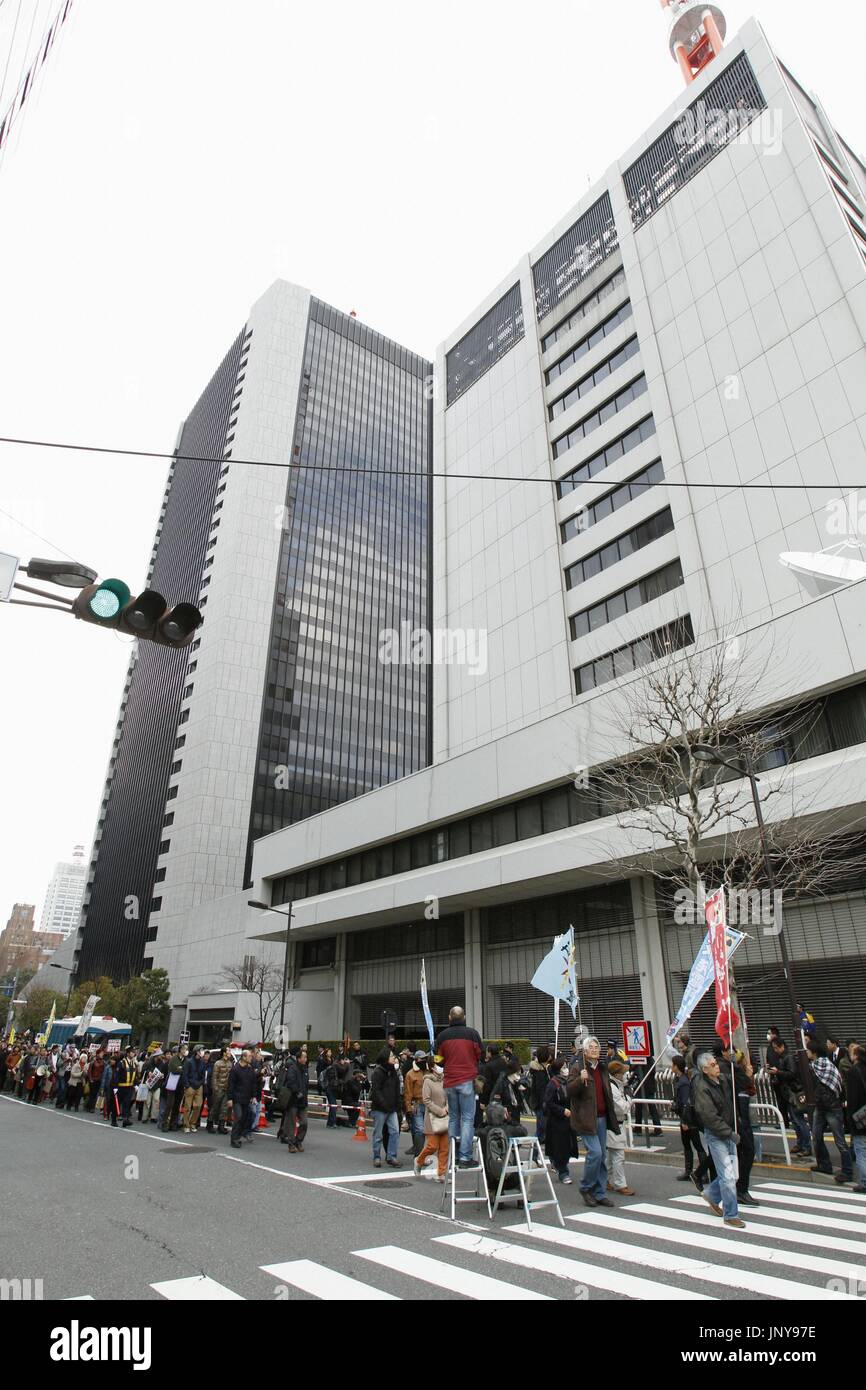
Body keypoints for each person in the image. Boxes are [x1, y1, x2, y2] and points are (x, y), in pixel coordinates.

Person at [691, 1051, 744, 1229]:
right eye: (713, 1064)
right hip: (717, 1134)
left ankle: (712, 1195)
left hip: (728, 1130)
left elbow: (740, 1081)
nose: (717, 1066)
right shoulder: (702, 1088)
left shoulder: (722, 1081)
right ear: (705, 1069)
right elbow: (709, 1116)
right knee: (728, 1176)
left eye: (716, 1063)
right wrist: (729, 1133)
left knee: (732, 1174)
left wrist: (736, 1064)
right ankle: (731, 1214)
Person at [566, 1036, 619, 1208]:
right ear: (585, 1051)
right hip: (586, 1118)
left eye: (597, 1047)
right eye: (592, 1047)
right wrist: (581, 1079)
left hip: (603, 1116)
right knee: (595, 1153)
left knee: (602, 1155)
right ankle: (586, 1187)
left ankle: (599, 1192)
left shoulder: (602, 1068)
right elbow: (569, 1090)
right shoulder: (578, 1067)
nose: (595, 1050)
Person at [434, 1006, 482, 1169]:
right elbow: (478, 1055)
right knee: (468, 1119)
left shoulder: (442, 1036)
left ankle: (453, 1155)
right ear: (464, 1017)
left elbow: (438, 1059)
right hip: (467, 1079)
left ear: (449, 1018)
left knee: (453, 1118)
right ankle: (465, 1157)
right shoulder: (473, 1034)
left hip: (450, 1081)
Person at [806, 1037, 853, 1183]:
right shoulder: (815, 1066)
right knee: (816, 1136)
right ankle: (824, 1164)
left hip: (832, 1107)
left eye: (808, 1050)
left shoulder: (826, 1066)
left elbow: (837, 1084)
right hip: (821, 1107)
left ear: (813, 1052)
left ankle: (847, 1171)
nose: (807, 1053)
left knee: (839, 1141)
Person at [721, 1046, 759, 1207]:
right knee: (745, 1151)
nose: (733, 1054)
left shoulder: (731, 1067)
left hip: (738, 1116)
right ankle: (738, 1190)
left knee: (738, 1154)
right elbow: (738, 1084)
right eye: (730, 1050)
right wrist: (746, 1075)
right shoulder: (725, 1069)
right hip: (734, 1118)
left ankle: (737, 1189)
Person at [766, 1037, 812, 1156]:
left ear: (782, 1046)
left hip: (793, 1093)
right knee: (795, 1121)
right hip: (788, 1093)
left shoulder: (788, 1057)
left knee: (799, 1120)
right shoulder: (782, 1057)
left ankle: (806, 1146)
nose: (775, 1050)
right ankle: (800, 1143)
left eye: (776, 1048)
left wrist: (778, 1072)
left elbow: (792, 1074)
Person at [671, 1055, 712, 1186]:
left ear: (676, 1066)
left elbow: (686, 1103)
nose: (671, 1067)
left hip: (690, 1119)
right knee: (688, 1145)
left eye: (672, 1065)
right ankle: (689, 1171)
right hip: (687, 1118)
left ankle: (703, 1174)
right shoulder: (681, 1079)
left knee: (696, 1145)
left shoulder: (683, 1082)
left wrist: (685, 1121)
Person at [413, 1057, 449, 1181]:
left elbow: (449, 1095)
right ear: (432, 1067)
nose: (441, 1067)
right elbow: (426, 1100)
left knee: (445, 1147)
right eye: (438, 1065)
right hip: (432, 1118)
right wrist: (440, 1111)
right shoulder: (427, 1081)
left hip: (445, 1118)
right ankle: (419, 1160)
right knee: (432, 1146)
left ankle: (441, 1174)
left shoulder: (445, 1080)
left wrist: (447, 1108)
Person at [542, 1056, 574, 1183]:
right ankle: (563, 1172)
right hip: (556, 1120)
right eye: (564, 1067)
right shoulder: (553, 1084)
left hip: (568, 1119)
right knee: (560, 1146)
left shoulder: (567, 1082)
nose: (566, 1070)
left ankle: (559, 1163)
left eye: (567, 1067)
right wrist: (561, 1110)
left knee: (567, 1145)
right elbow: (548, 1102)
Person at [370, 1047, 402, 1168]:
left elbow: (396, 1090)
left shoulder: (393, 1072)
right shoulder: (378, 1072)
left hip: (392, 1108)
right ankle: (376, 1156)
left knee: (395, 1132)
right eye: (392, 1056)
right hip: (380, 1108)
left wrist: (398, 1104)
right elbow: (376, 1091)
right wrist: (384, 1104)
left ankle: (391, 1156)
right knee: (378, 1134)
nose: (394, 1058)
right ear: (385, 1058)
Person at [606, 1060, 635, 1195]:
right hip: (614, 1125)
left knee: (611, 1157)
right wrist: (629, 1098)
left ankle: (604, 1179)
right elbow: (622, 1108)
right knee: (618, 1156)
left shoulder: (617, 1085)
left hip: (614, 1125)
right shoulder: (612, 1088)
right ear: (616, 1074)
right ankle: (620, 1184)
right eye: (623, 1073)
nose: (625, 1075)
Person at [845, 1042, 866, 1193]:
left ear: (856, 1056)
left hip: (861, 1116)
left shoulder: (853, 1072)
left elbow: (852, 1098)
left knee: (861, 1150)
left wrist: (850, 1119)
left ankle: (865, 1182)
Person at [281, 1045, 309, 1154]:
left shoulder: (305, 1070)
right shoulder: (292, 1069)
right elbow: (290, 1082)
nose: (306, 1059)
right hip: (293, 1100)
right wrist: (297, 1092)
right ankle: (291, 1143)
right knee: (291, 1123)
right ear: (299, 1058)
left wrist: (304, 1096)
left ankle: (299, 1140)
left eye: (306, 1057)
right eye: (304, 1057)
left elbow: (306, 1085)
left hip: (303, 1101)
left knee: (304, 1122)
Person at [228, 1049, 258, 1148]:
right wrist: (230, 1098)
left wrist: (254, 1096)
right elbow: (231, 1085)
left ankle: (239, 1135)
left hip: (246, 1098)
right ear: (244, 1057)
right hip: (237, 1098)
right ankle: (234, 1139)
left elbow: (253, 1084)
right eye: (249, 1056)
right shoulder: (235, 1069)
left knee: (244, 1118)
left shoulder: (250, 1069)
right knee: (239, 1117)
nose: (251, 1058)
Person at [403, 1051, 428, 1157]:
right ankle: (419, 1154)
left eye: (425, 1058)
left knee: (422, 1129)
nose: (424, 1061)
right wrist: (408, 1108)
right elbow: (408, 1093)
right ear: (416, 1060)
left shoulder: (429, 1071)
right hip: (417, 1104)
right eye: (421, 1059)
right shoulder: (410, 1074)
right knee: (419, 1129)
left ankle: (418, 1150)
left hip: (428, 1104)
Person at [489, 1058, 529, 1125]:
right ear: (511, 1072)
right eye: (517, 1073)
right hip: (505, 1114)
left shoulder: (516, 1083)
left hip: (515, 1111)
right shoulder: (501, 1083)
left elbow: (526, 1084)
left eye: (519, 1074)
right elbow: (494, 1099)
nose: (518, 1076)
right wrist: (501, 1109)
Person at [528, 1045, 552, 1146]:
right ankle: (535, 1156)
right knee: (542, 1130)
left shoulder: (542, 1069)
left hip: (540, 1104)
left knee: (541, 1131)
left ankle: (535, 1156)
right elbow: (541, 1091)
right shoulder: (540, 1073)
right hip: (542, 1105)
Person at [180, 1046, 207, 1133]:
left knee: (198, 1106)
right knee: (187, 1106)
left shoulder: (203, 1062)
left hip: (199, 1086)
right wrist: (187, 1085)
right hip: (190, 1086)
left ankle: (193, 1123)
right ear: (196, 1051)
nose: (202, 1052)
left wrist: (201, 1083)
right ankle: (186, 1125)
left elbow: (203, 1075)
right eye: (201, 1050)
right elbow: (184, 1074)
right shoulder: (189, 1061)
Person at [207, 1047, 232, 1134]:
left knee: (224, 1108)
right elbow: (214, 1077)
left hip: (226, 1088)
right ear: (224, 1052)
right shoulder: (217, 1063)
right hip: (219, 1088)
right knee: (215, 1107)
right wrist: (215, 1088)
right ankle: (209, 1124)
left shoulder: (230, 1063)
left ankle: (221, 1126)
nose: (230, 1052)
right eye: (228, 1051)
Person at [115, 1047, 138, 1127]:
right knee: (118, 1103)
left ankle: (125, 1120)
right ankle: (114, 1120)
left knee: (127, 1104)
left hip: (129, 1087)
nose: (133, 1053)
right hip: (121, 1086)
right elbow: (117, 1075)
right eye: (132, 1052)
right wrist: (115, 1086)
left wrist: (135, 1085)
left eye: (134, 1052)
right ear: (128, 1053)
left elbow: (135, 1075)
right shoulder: (121, 1063)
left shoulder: (134, 1063)